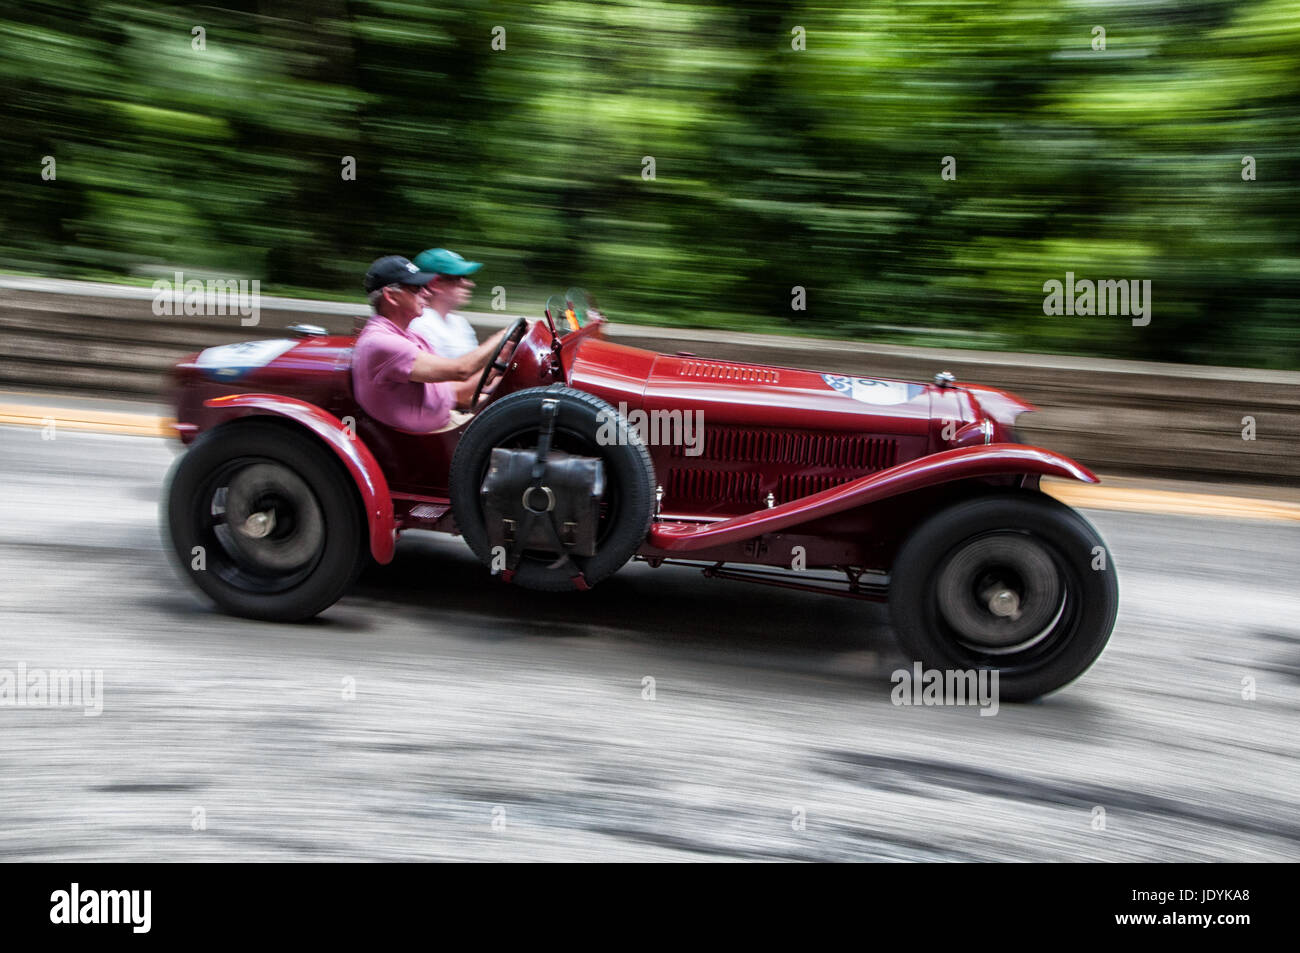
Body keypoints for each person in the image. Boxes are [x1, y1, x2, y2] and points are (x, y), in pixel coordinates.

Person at [352, 255, 510, 434]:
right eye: (416, 288)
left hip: (449, 422)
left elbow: (455, 392)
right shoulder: (383, 343)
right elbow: (461, 370)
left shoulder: (413, 336)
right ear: (392, 297)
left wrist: (502, 359)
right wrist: (502, 336)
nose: (426, 293)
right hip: (426, 440)